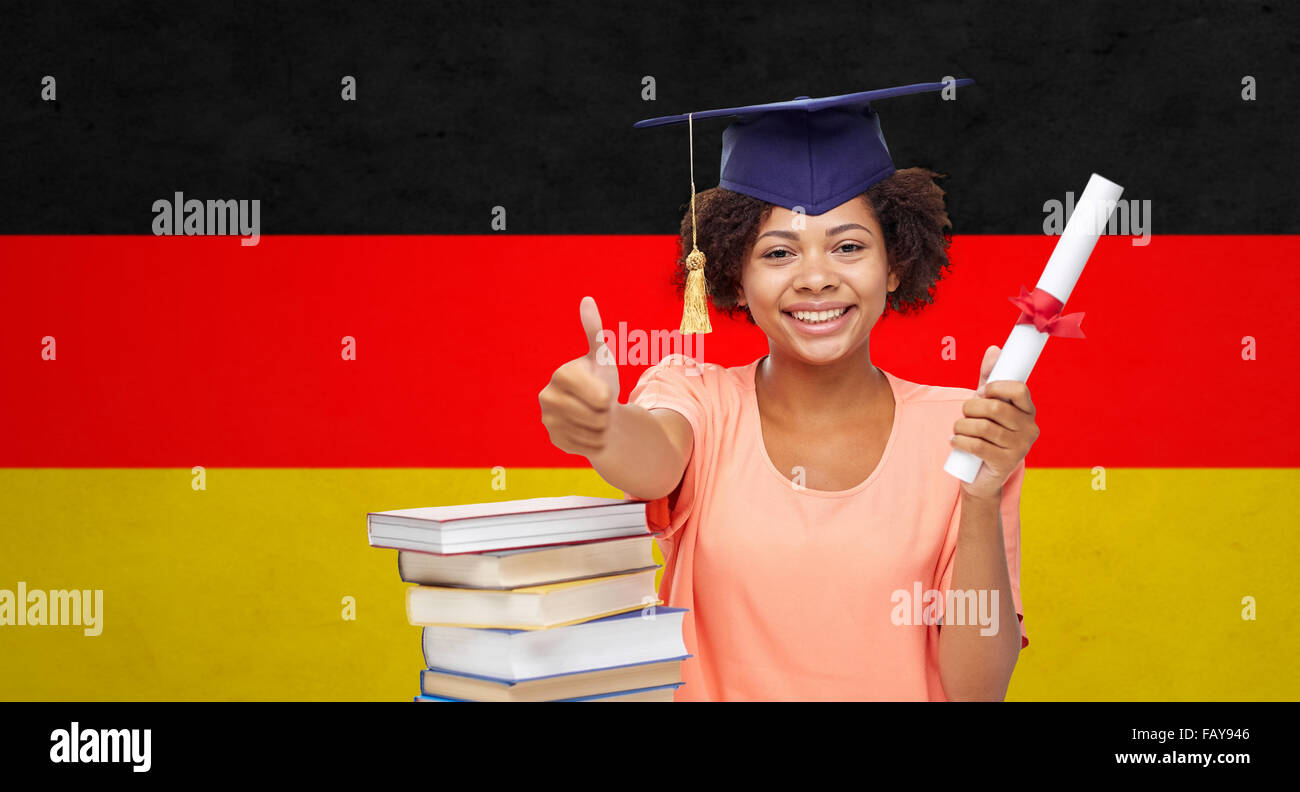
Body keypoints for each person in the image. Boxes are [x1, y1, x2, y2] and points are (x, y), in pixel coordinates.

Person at [538, 82, 1038, 701]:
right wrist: (603, 427)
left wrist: (983, 495)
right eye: (778, 253)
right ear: (733, 277)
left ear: (895, 265)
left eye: (849, 247)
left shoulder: (965, 432)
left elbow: (978, 691)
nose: (817, 278)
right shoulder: (697, 398)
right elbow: (653, 460)